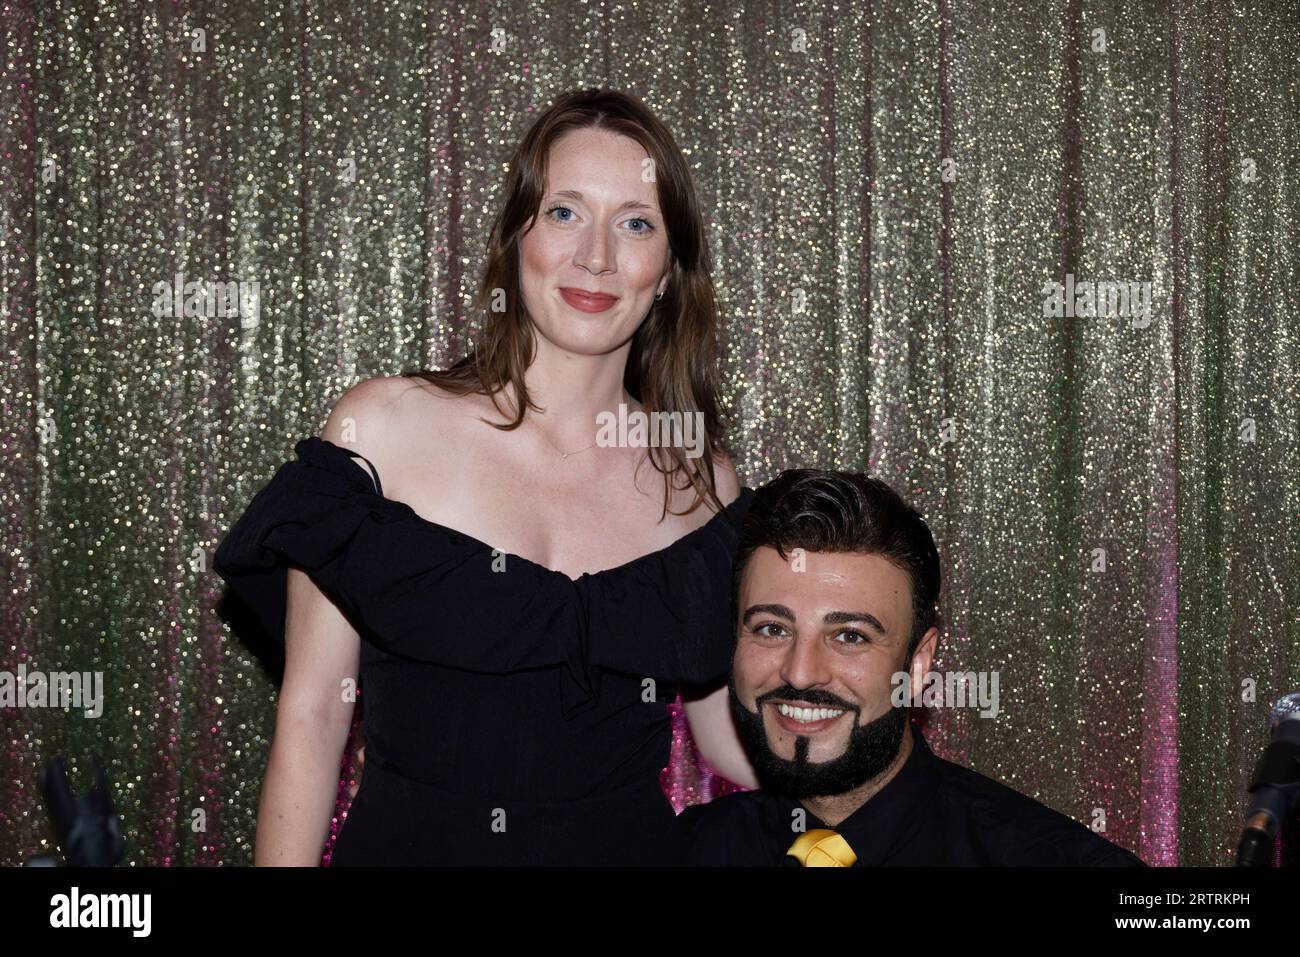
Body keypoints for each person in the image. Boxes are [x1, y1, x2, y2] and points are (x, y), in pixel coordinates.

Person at [213, 87, 760, 865]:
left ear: (668, 270)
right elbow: (310, 721)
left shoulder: (703, 481)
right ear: (516, 238)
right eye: (565, 212)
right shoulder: (384, 430)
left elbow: (726, 741)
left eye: (635, 223)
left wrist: (872, 753)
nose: (596, 257)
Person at [678, 469, 1145, 866]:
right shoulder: (685, 852)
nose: (800, 673)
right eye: (772, 629)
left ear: (918, 664)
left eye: (850, 637)